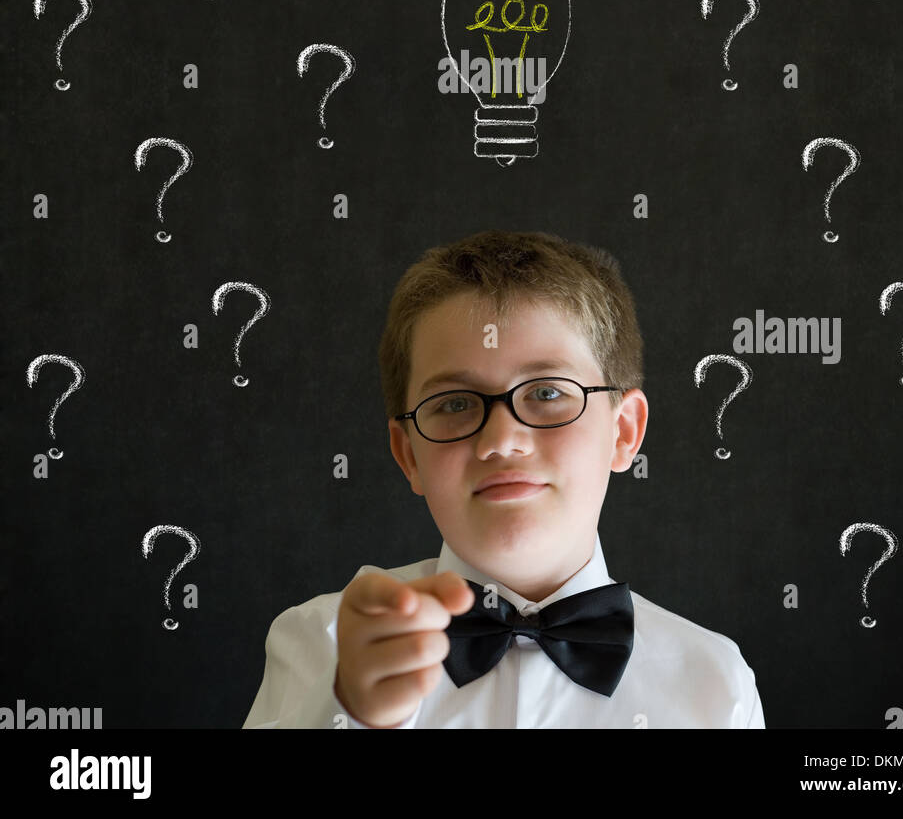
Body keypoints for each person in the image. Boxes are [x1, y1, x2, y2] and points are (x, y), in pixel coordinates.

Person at [243, 229, 765, 729]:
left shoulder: (716, 682)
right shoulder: (322, 641)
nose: (501, 440)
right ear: (408, 456)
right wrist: (350, 714)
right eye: (453, 403)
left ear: (623, 432)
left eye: (545, 392)